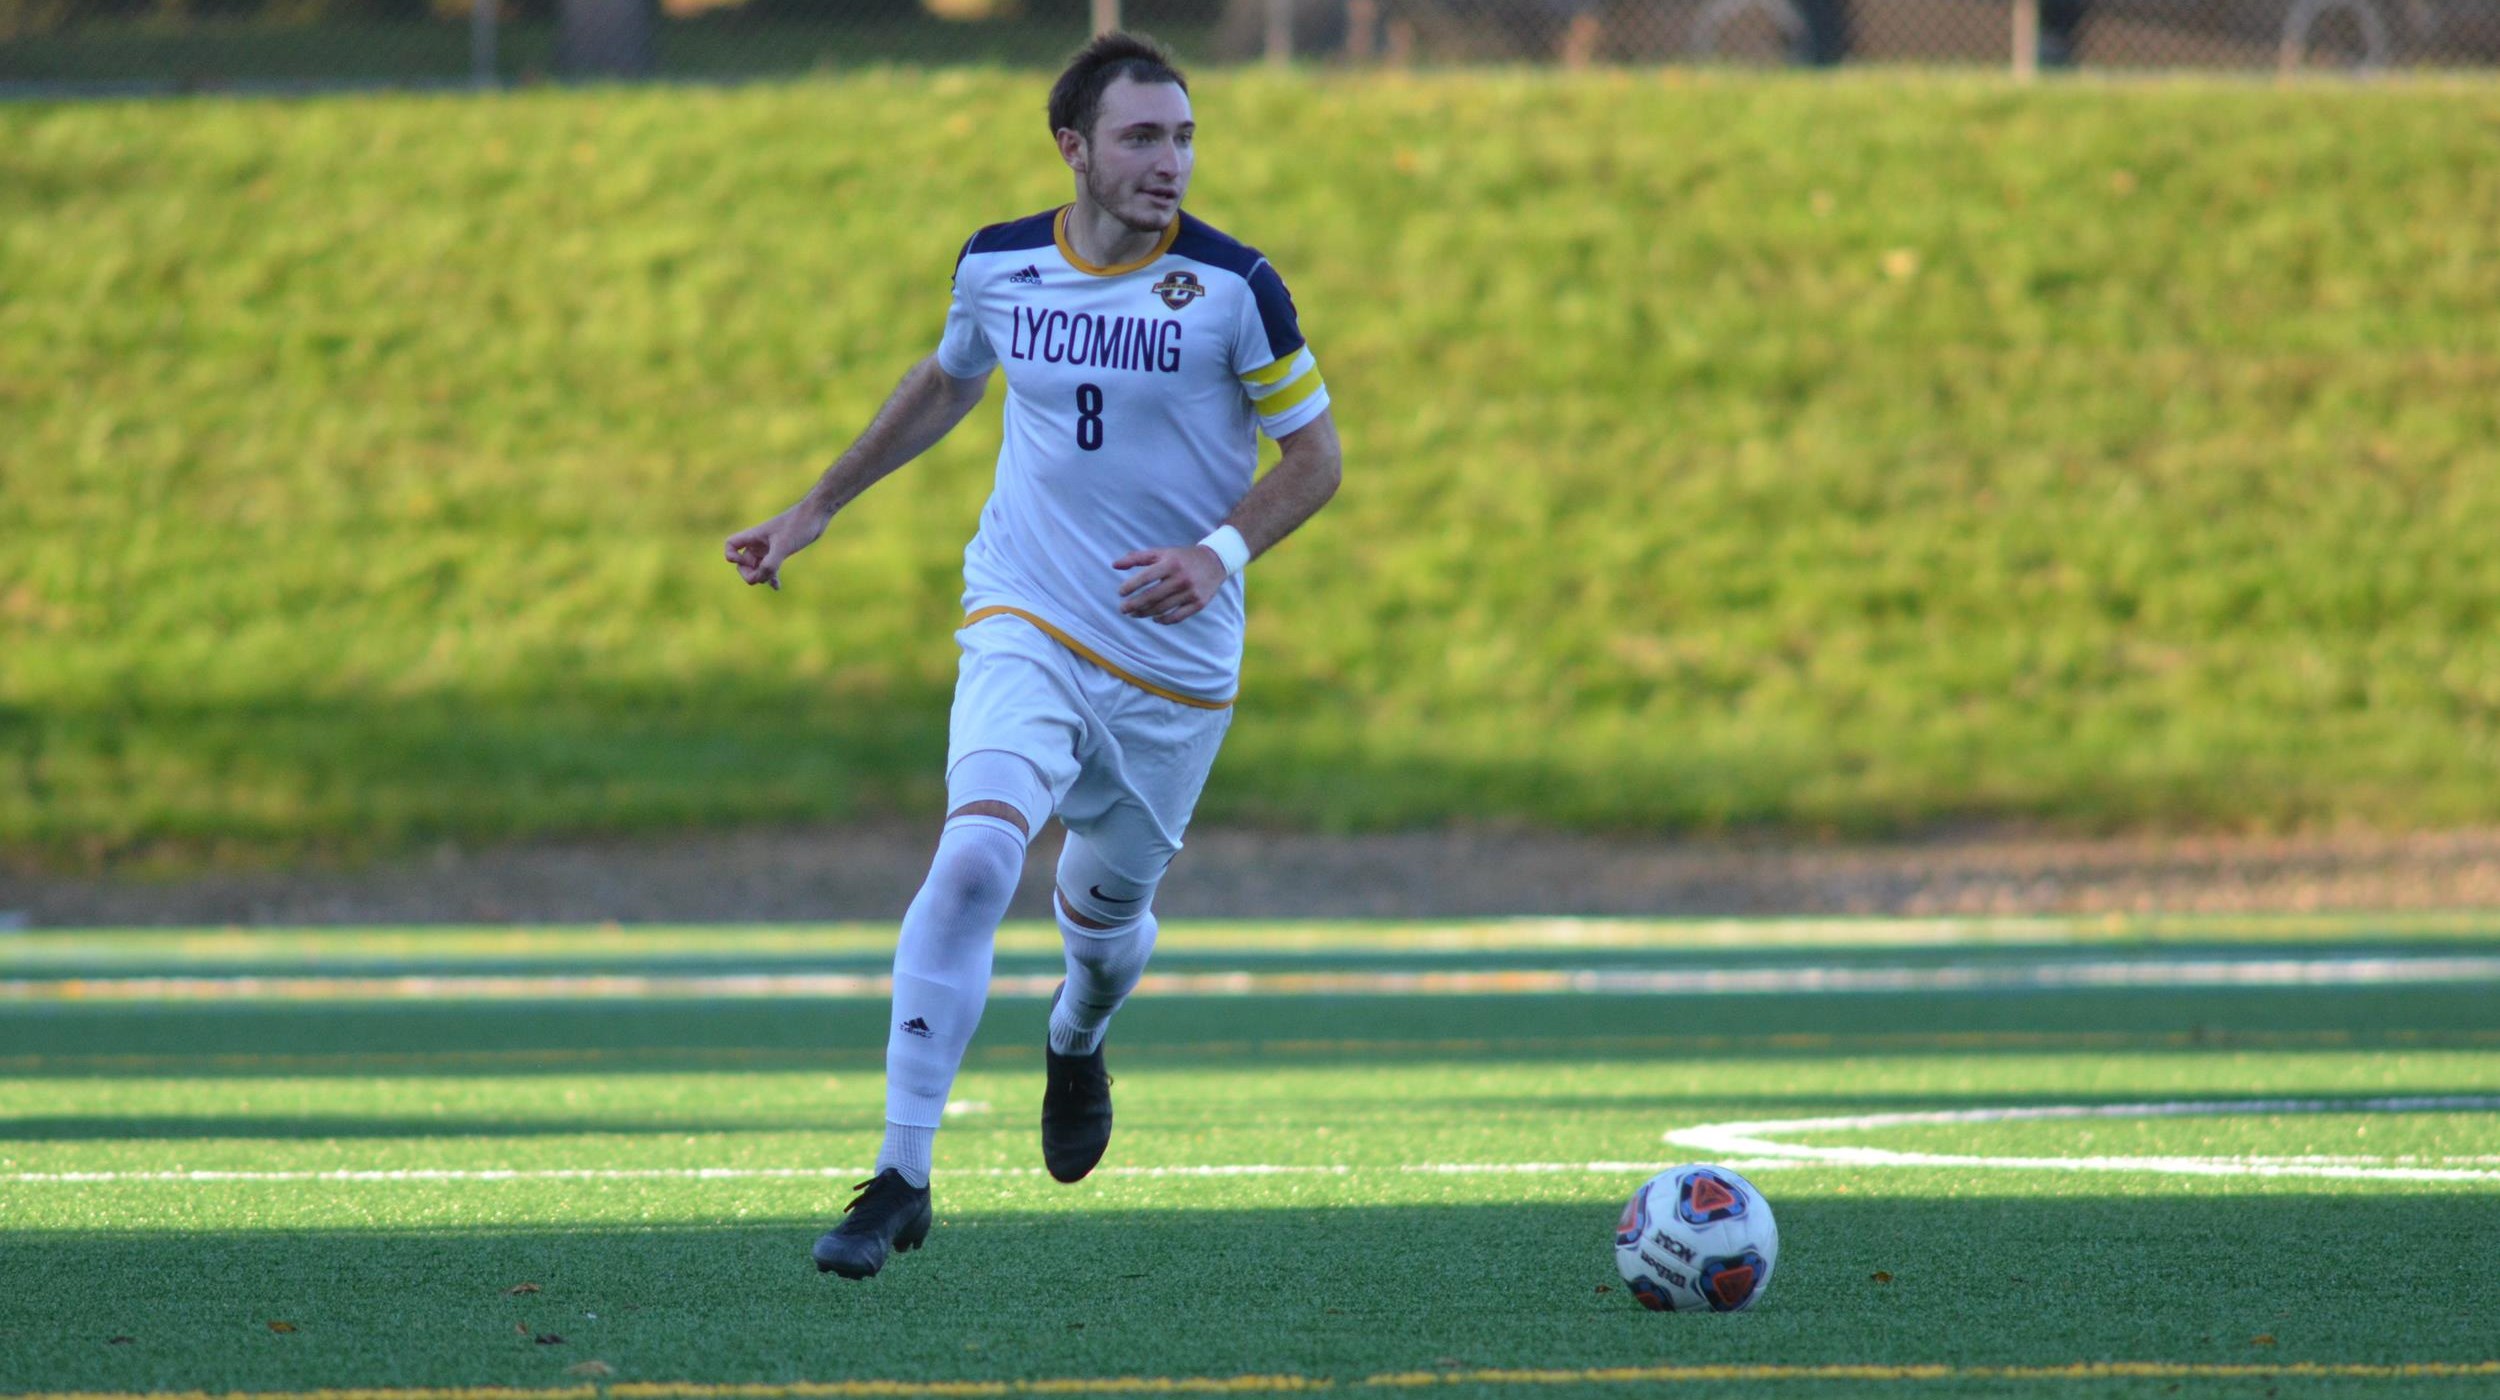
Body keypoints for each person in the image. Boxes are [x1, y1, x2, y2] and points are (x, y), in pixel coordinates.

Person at [722, 30, 1342, 1281]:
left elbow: (1317, 461)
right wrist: (817, 503)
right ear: (1073, 148)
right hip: (1026, 619)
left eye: (1182, 137)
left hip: (1172, 666)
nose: (1169, 162)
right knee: (972, 855)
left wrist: (1215, 554)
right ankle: (900, 1175)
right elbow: (950, 383)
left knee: (1105, 924)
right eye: (1141, 137)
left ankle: (1077, 1033)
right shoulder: (999, 263)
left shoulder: (1235, 287)